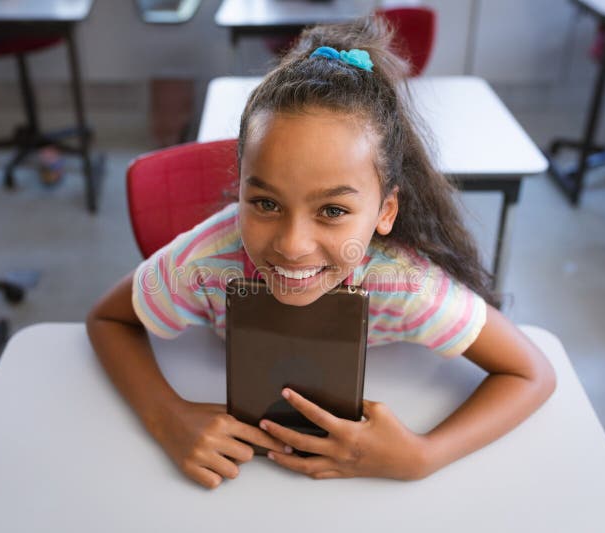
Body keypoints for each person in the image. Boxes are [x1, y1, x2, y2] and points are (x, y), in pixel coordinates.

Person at [86, 17, 555, 489]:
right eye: (266, 203)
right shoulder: (207, 263)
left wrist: (423, 456)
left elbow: (531, 374)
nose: (292, 245)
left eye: (331, 210)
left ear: (385, 210)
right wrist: (168, 417)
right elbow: (107, 320)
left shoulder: (403, 283)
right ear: (241, 186)